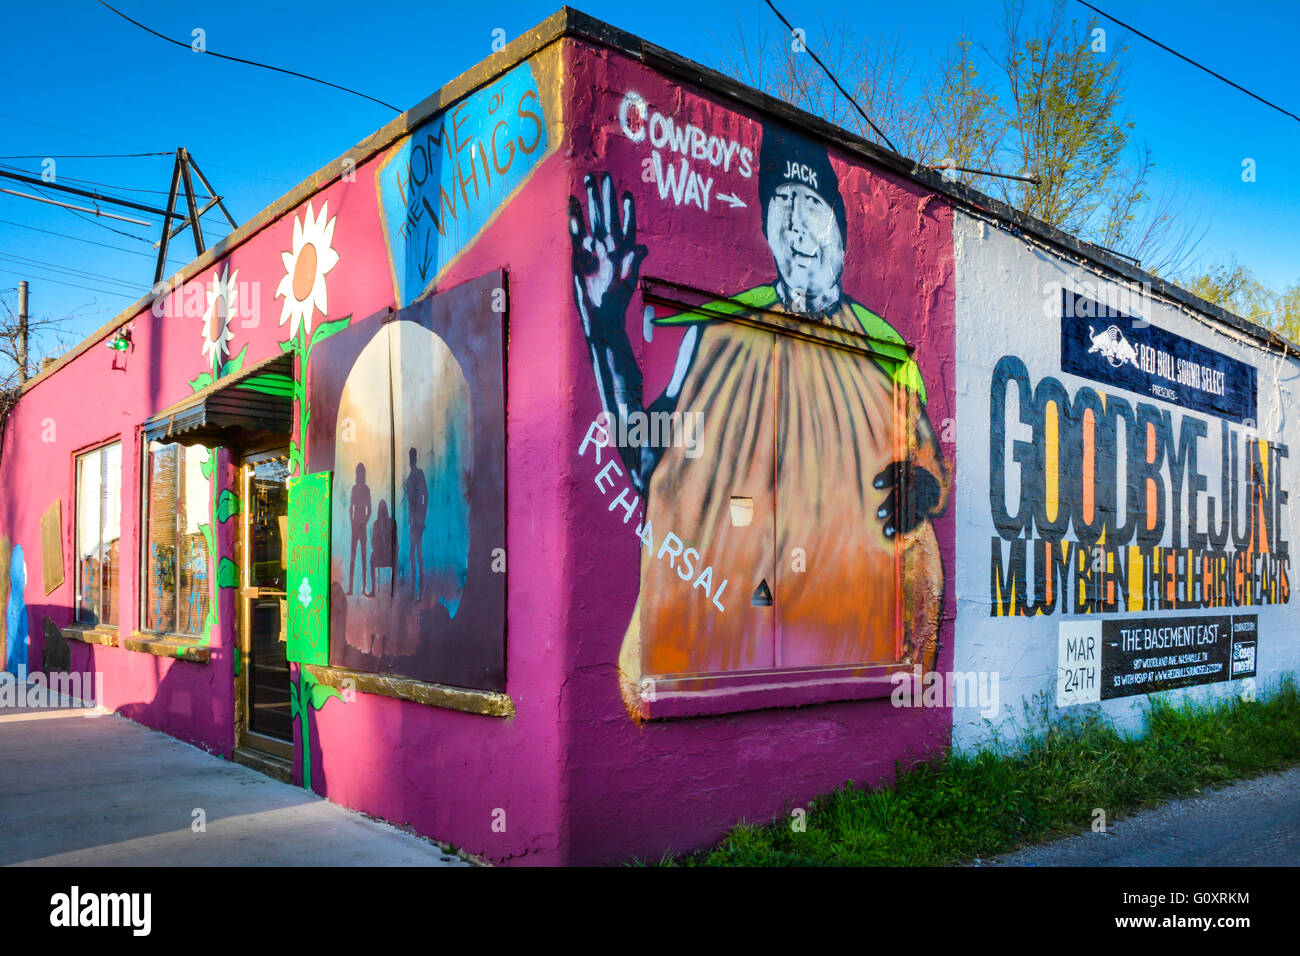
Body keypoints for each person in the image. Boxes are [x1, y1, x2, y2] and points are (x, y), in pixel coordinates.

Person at [569, 124, 951, 708]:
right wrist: (605, 332)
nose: (797, 223)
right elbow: (653, 464)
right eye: (782, 203)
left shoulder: (886, 347)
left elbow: (930, 465)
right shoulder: (719, 334)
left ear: (842, 233)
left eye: (813, 205)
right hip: (728, 645)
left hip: (862, 640)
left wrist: (920, 485)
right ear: (767, 227)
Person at [405, 447, 428, 598]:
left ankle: (419, 592)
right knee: (413, 555)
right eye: (410, 457)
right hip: (414, 520)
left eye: (412, 457)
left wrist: (422, 516)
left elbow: (425, 495)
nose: (411, 459)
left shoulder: (418, 475)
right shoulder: (410, 478)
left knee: (417, 555)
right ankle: (415, 592)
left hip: (417, 519)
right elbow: (411, 501)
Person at [347, 462, 371, 596]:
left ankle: (363, 588)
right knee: (352, 557)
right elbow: (350, 509)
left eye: (361, 472)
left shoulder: (366, 489)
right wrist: (353, 522)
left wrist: (364, 523)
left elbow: (370, 509)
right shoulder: (354, 489)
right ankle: (351, 588)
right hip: (355, 526)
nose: (359, 474)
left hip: (362, 526)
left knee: (363, 557)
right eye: (358, 472)